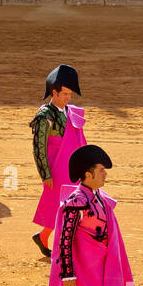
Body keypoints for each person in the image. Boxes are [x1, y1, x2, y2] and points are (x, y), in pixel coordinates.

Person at [35, 145, 135, 286]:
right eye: (101, 170)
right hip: (85, 268)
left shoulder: (97, 196)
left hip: (96, 264)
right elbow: (64, 238)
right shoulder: (76, 201)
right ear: (87, 175)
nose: (105, 174)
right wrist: (67, 272)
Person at [30, 64, 87, 259]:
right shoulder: (45, 116)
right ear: (54, 93)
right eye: (65, 94)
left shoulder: (71, 112)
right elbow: (39, 147)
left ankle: (44, 236)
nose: (68, 98)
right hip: (56, 170)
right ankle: (66, 248)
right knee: (65, 208)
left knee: (66, 207)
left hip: (72, 169)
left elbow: (79, 142)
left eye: (70, 94)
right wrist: (45, 174)